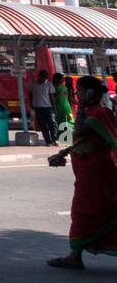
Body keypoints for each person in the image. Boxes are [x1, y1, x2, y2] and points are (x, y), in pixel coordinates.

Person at [47, 76, 117, 269]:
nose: (76, 94)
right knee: (86, 212)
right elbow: (79, 139)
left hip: (98, 174)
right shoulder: (86, 112)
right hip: (86, 173)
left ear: (90, 93)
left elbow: (112, 140)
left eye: (79, 90)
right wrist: (64, 152)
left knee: (85, 212)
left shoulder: (100, 113)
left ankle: (75, 255)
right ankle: (75, 255)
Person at [30, 70, 58, 146]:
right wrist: (31, 104)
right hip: (38, 107)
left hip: (48, 107)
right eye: (43, 76)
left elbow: (52, 97)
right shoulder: (33, 84)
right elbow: (30, 95)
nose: (45, 78)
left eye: (46, 77)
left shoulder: (49, 84)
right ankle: (48, 141)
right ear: (40, 76)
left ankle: (54, 139)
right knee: (43, 125)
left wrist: (54, 108)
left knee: (53, 123)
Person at [54, 74, 76, 141]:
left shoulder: (61, 87)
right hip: (63, 107)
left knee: (66, 121)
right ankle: (66, 138)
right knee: (67, 121)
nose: (62, 80)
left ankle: (66, 138)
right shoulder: (57, 88)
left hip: (65, 107)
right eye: (61, 78)